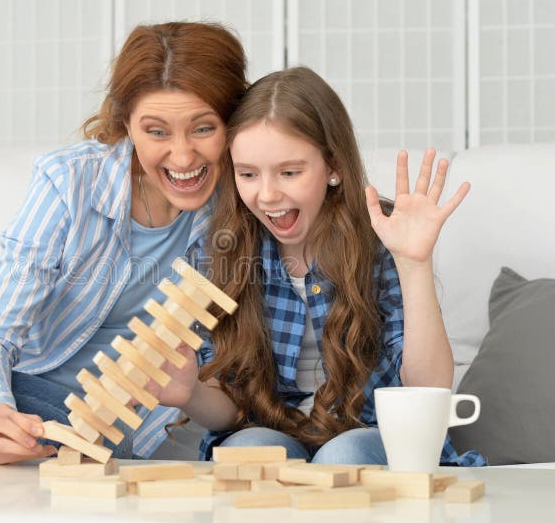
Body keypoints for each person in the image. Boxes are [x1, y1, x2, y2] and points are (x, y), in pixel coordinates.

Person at [0, 21, 247, 465]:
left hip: (108, 421)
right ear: (127, 125)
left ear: (234, 123)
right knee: (84, 448)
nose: (182, 156)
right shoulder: (69, 181)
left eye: (203, 128)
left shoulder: (242, 210)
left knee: (109, 447)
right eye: (156, 132)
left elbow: (234, 380)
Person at [160, 66, 485, 466]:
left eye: (290, 172)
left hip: (372, 438)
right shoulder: (217, 251)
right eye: (247, 174)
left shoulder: (382, 237)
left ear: (333, 167)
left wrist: (414, 264)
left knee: (342, 452)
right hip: (267, 433)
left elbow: (427, 389)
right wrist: (190, 390)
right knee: (248, 452)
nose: (266, 195)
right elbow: (228, 411)